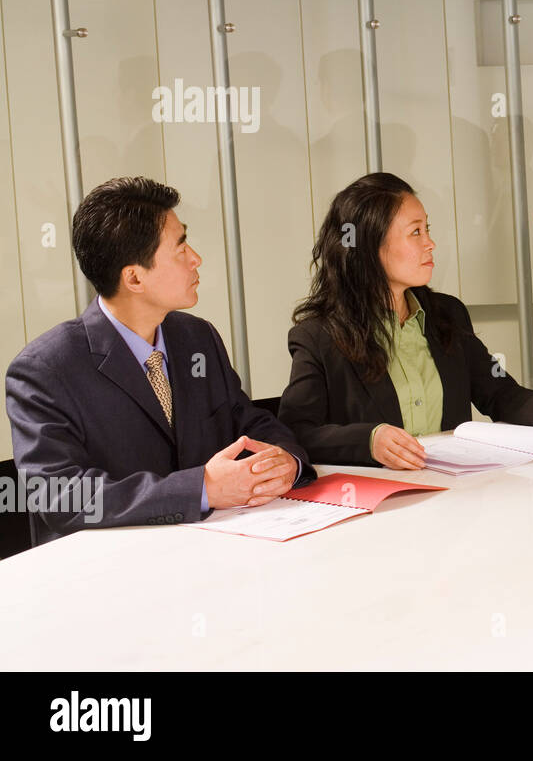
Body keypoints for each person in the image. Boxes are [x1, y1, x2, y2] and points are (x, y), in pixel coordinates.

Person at [5, 177, 315, 546]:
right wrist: (201, 488)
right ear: (134, 277)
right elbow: (60, 497)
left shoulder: (197, 337)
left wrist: (285, 461)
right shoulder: (45, 369)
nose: (196, 258)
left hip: (220, 549)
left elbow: (249, 421)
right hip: (111, 572)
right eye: (180, 247)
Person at [279, 172, 533, 470]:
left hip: (455, 497)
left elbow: (500, 394)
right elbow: (296, 432)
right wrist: (369, 441)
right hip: (381, 510)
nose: (430, 243)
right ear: (369, 247)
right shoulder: (319, 336)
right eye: (416, 232)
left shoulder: (447, 315)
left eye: (427, 229)